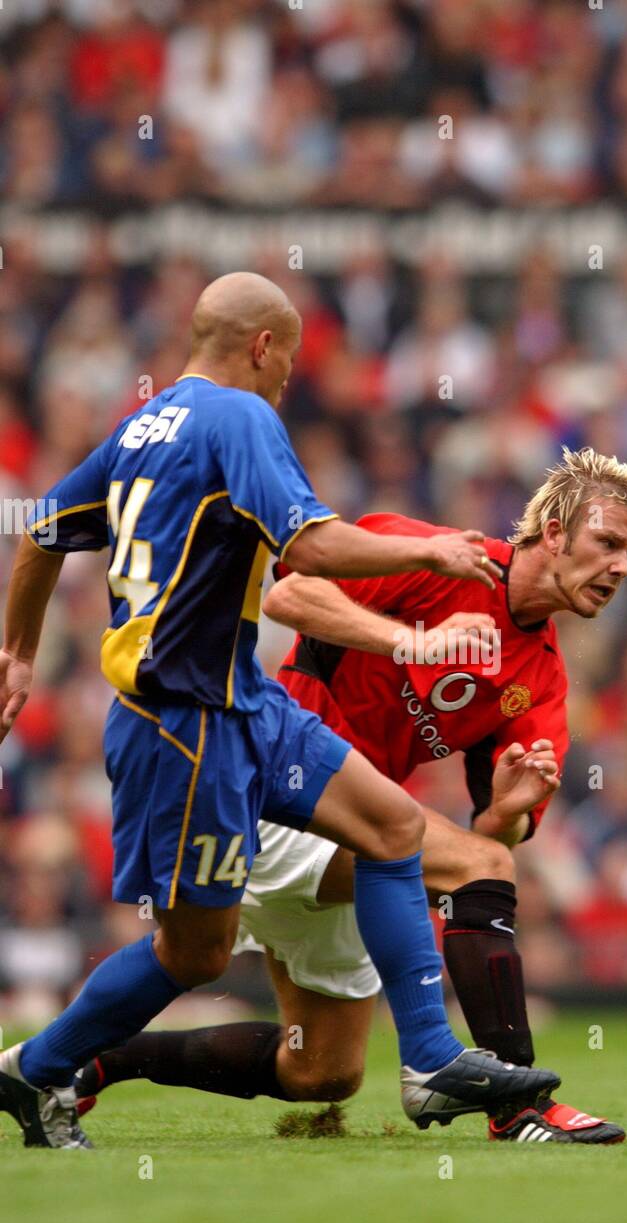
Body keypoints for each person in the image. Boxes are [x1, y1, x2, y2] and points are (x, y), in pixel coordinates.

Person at [0, 271, 560, 1149]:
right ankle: (36, 1070)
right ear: (261, 346)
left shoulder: (138, 429)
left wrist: (19, 655)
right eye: (288, 361)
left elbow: (39, 532)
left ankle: (429, 1060)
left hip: (247, 705)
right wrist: (442, 556)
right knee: (195, 957)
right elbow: (308, 545)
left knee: (391, 826)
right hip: (180, 723)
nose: (288, 379)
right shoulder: (240, 416)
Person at [75, 450, 627, 1144]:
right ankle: (518, 1106)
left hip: (355, 839)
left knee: (320, 1073)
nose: (622, 567)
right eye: (609, 543)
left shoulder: (542, 677)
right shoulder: (433, 556)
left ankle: (102, 1057)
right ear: (556, 532)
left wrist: (508, 807)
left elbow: (497, 832)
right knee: (478, 867)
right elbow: (286, 596)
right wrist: (410, 643)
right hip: (269, 789)